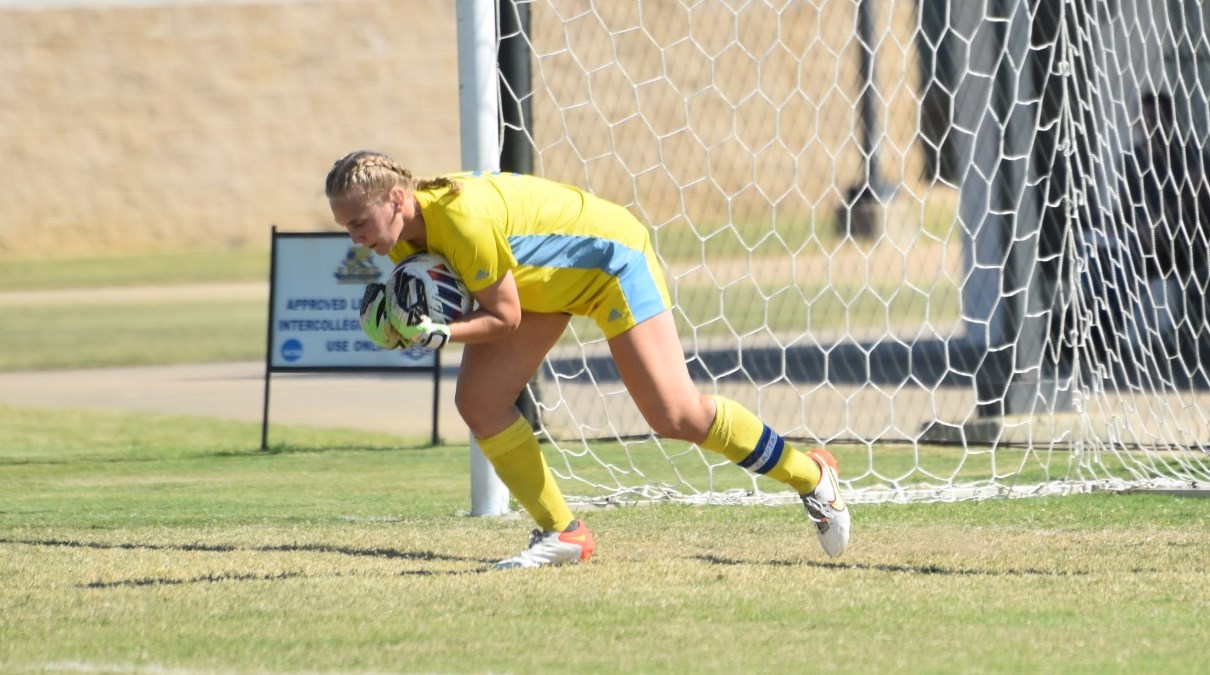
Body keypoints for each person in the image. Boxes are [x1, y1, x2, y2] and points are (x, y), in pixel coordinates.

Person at [324, 150, 849, 569]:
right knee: (480, 402)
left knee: (675, 415)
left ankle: (811, 476)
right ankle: (564, 534)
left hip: (610, 261)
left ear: (397, 198)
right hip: (546, 282)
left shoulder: (461, 220)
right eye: (346, 227)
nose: (355, 238)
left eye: (359, 222)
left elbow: (504, 317)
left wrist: (438, 335)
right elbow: (461, 295)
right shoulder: (401, 238)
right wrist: (400, 325)